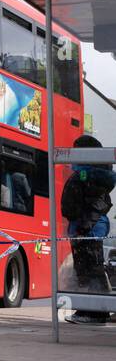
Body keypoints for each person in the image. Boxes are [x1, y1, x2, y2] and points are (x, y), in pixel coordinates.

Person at [60, 134, 116, 324]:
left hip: (86, 228)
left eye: (77, 150)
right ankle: (92, 310)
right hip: (84, 226)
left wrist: (83, 224)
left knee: (89, 270)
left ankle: (93, 312)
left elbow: (85, 202)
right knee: (87, 269)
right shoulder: (93, 174)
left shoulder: (88, 174)